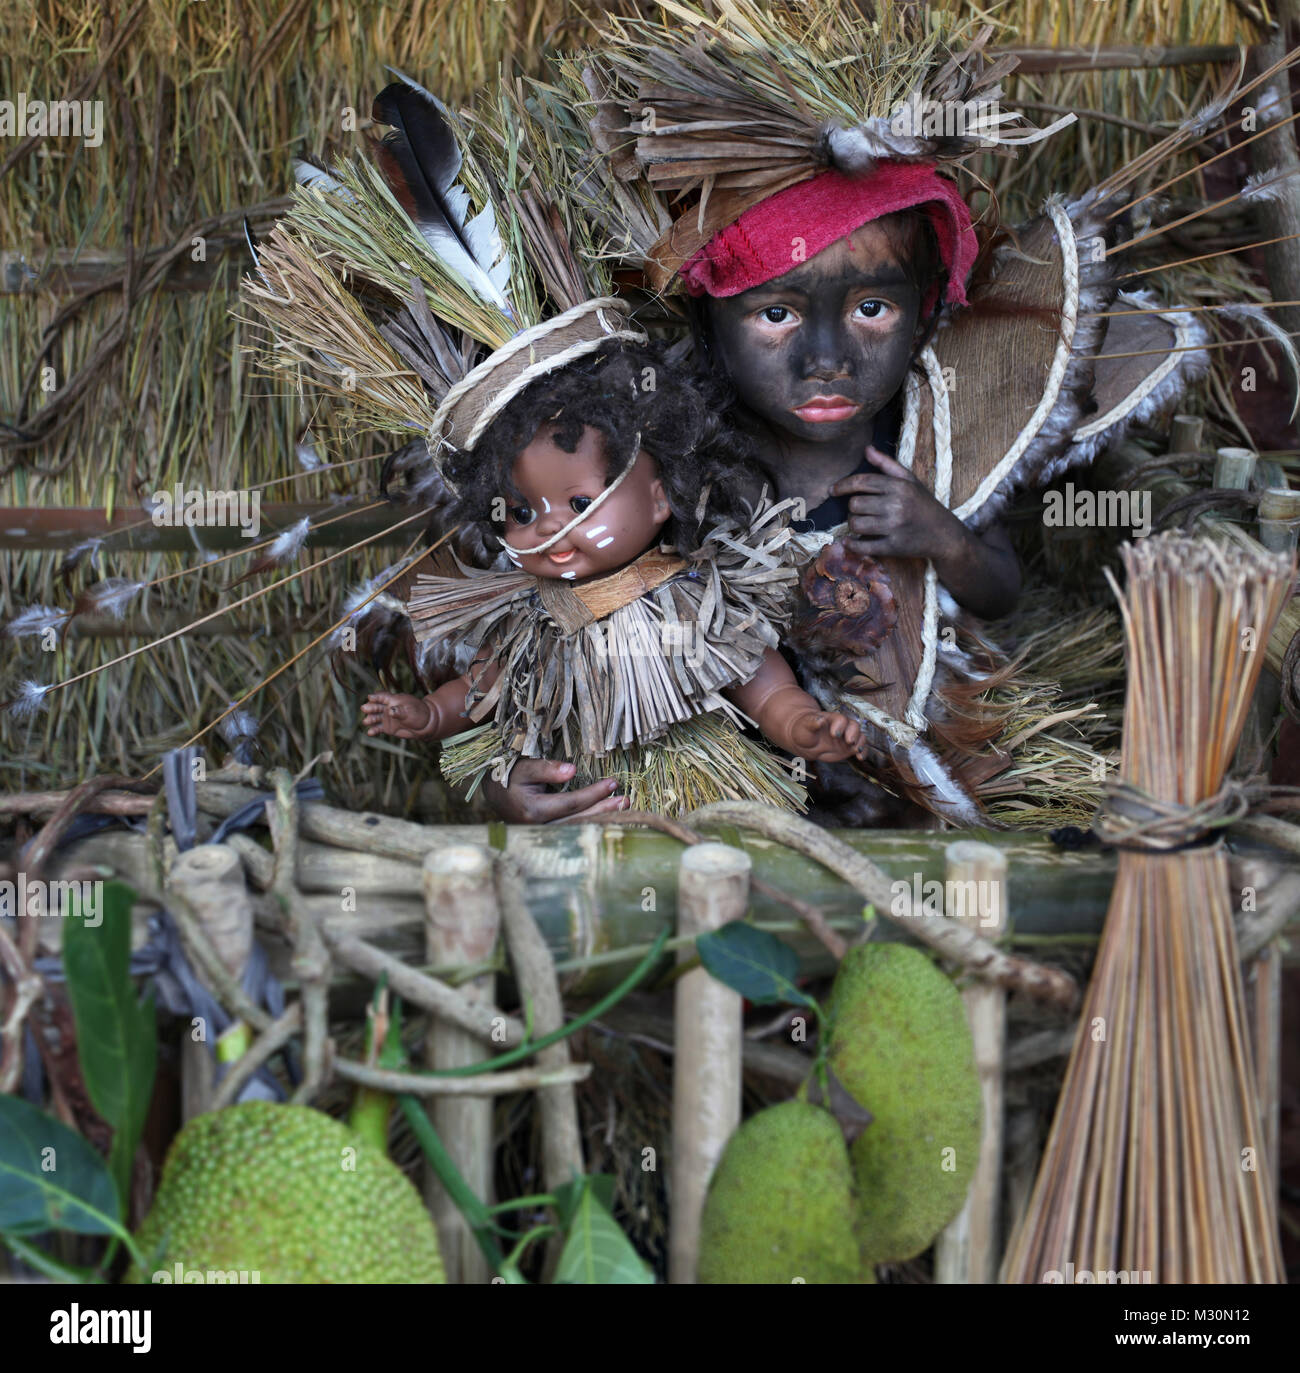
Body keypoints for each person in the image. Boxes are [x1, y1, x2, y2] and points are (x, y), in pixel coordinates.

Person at [361, 344, 870, 816]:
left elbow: (761, 686)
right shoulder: (528, 622)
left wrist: (803, 725)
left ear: (659, 498)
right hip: (580, 802)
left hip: (696, 797)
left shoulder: (693, 600)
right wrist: (429, 715)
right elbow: (481, 689)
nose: (549, 525)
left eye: (581, 504)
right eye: (520, 511)